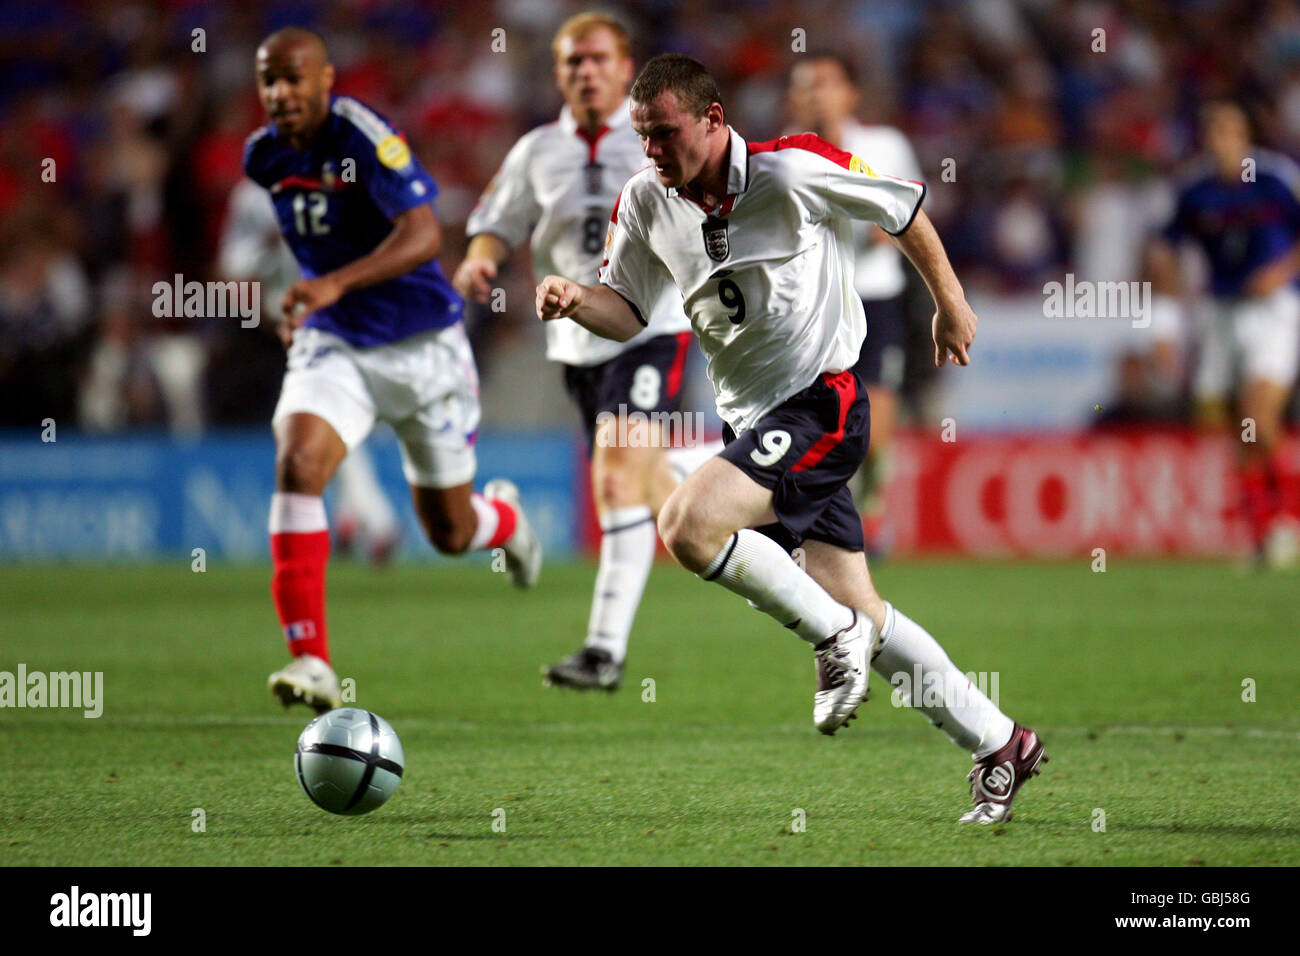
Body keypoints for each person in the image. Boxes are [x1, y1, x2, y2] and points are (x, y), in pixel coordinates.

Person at [536, 54, 1045, 824]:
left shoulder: (792, 169)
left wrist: (949, 301)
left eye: (665, 133)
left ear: (713, 120)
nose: (652, 151)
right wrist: (578, 300)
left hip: (823, 403)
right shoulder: (644, 200)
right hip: (755, 420)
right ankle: (999, 741)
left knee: (687, 523)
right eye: (643, 136)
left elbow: (902, 209)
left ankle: (831, 636)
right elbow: (628, 309)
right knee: (864, 611)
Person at [245, 27, 542, 712]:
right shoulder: (263, 156)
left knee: (449, 533)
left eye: (294, 78)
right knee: (298, 463)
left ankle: (505, 522)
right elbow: (313, 234)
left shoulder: (363, 138)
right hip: (336, 341)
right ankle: (310, 656)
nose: (281, 93)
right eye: (269, 81)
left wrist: (333, 283)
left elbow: (422, 235)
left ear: (325, 80)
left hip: (422, 347)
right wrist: (307, 298)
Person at [457, 13, 718, 691]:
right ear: (558, 73)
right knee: (649, 485)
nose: (586, 71)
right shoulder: (536, 151)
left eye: (599, 59)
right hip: (575, 343)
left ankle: (603, 651)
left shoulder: (657, 145)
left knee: (613, 475)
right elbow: (495, 223)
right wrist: (480, 263)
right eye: (573, 61)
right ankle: (742, 472)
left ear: (625, 66)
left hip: (651, 329)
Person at [218, 176, 401, 566]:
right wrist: (265, 250)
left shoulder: (336, 185)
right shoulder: (252, 197)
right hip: (271, 332)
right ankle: (356, 517)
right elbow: (231, 271)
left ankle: (371, 520)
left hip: (331, 320)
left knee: (329, 417)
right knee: (317, 423)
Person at [1149, 101, 1300, 567]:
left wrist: (1280, 271)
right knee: (1236, 426)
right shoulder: (1195, 192)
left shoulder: (1276, 180)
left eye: (1229, 130)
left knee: (1260, 415)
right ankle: (1264, 536)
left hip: (1272, 312)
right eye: (1213, 130)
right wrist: (1166, 321)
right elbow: (1163, 250)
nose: (1221, 139)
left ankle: (1287, 521)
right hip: (1220, 314)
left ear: (1246, 134)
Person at [786, 51, 923, 557]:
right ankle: (817, 518)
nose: (817, 92)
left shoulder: (885, 145)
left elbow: (905, 215)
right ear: (793, 98)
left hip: (876, 295)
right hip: (814, 304)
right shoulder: (781, 155)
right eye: (806, 84)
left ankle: (872, 513)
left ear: (851, 94)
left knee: (878, 414)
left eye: (827, 81)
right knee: (817, 420)